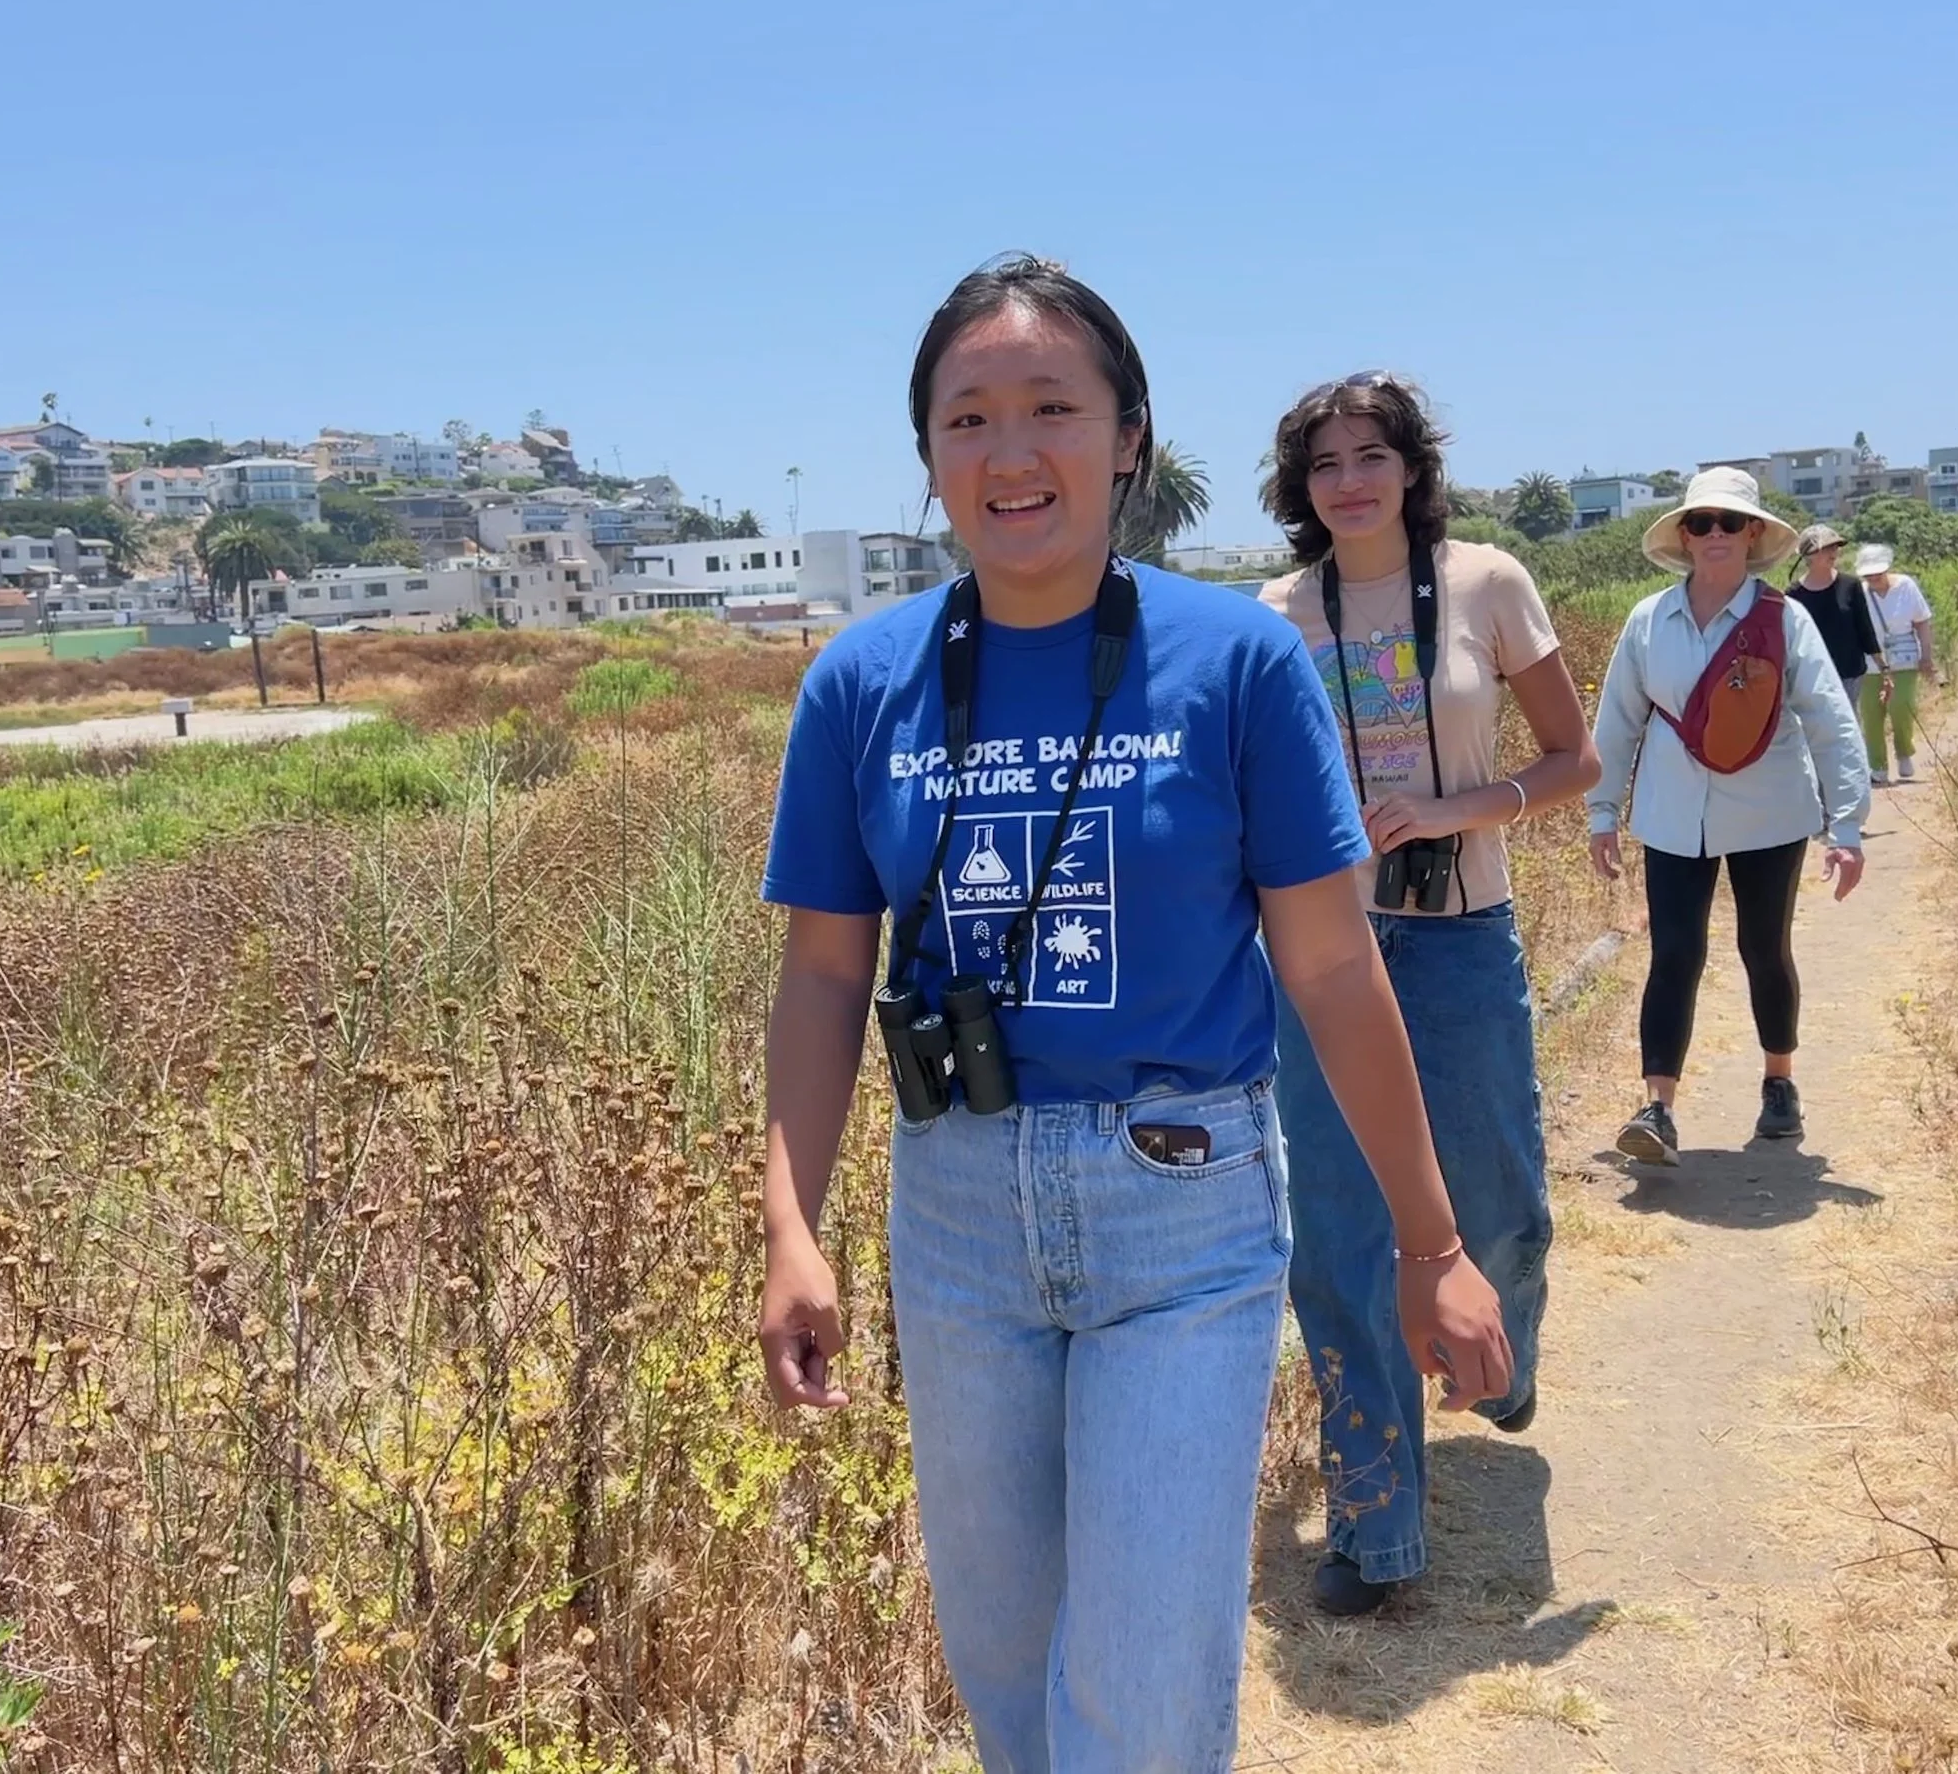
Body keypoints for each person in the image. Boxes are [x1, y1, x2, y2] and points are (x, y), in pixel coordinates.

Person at [756, 257, 1511, 1772]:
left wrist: (1431, 1247)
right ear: (928, 454)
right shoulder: (862, 683)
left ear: (1128, 439)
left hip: (1184, 1207)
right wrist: (791, 1227)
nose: (1010, 451)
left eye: (1053, 407)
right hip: (957, 1216)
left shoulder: (1236, 662)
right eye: (968, 416)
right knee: (1007, 1670)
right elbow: (827, 974)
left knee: (1142, 1696)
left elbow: (1333, 969)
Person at [1255, 374, 1598, 1616]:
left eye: (1371, 456)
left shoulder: (1487, 584)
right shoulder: (1275, 616)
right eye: (1324, 462)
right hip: (1323, 947)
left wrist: (1459, 808)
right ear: (1299, 487)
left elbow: (1574, 759)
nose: (1348, 481)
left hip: (1458, 938)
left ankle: (1497, 1351)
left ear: (1411, 469)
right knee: (1339, 1234)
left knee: (1497, 1205)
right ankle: (1375, 1528)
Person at [1587, 466, 1870, 1164]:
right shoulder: (1649, 621)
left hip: (1769, 812)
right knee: (1674, 952)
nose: (1715, 533)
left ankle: (1779, 1081)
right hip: (1671, 812)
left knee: (1763, 948)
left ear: (1752, 535)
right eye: (1701, 522)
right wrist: (1601, 811)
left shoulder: (1786, 621)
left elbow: (1830, 722)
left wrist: (1847, 826)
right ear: (1684, 536)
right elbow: (1617, 719)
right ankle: (1658, 1107)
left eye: (1730, 522)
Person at [1787, 523, 1892, 719]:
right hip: (1813, 677)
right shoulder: (1793, 595)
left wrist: (1884, 669)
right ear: (1809, 554)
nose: (1833, 552)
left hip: (1849, 673)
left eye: (1835, 547)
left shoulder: (1850, 585)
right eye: (1826, 548)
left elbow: (1865, 631)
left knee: (1847, 722)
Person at [1855, 543, 1940, 784]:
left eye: (1877, 573)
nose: (1873, 578)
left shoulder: (1906, 586)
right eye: (1868, 574)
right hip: (1870, 661)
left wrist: (1926, 656)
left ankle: (1904, 751)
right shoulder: (1858, 593)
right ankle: (1877, 766)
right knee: (1871, 714)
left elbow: (1922, 622)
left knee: (1901, 706)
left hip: (1904, 658)